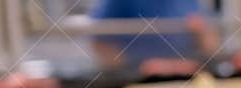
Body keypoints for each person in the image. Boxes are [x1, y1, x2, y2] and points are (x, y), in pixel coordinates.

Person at [89, 0, 220, 69]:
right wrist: (130, 70)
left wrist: (202, 34)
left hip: (185, 77)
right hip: (138, 83)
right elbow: (99, 39)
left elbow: (211, 46)